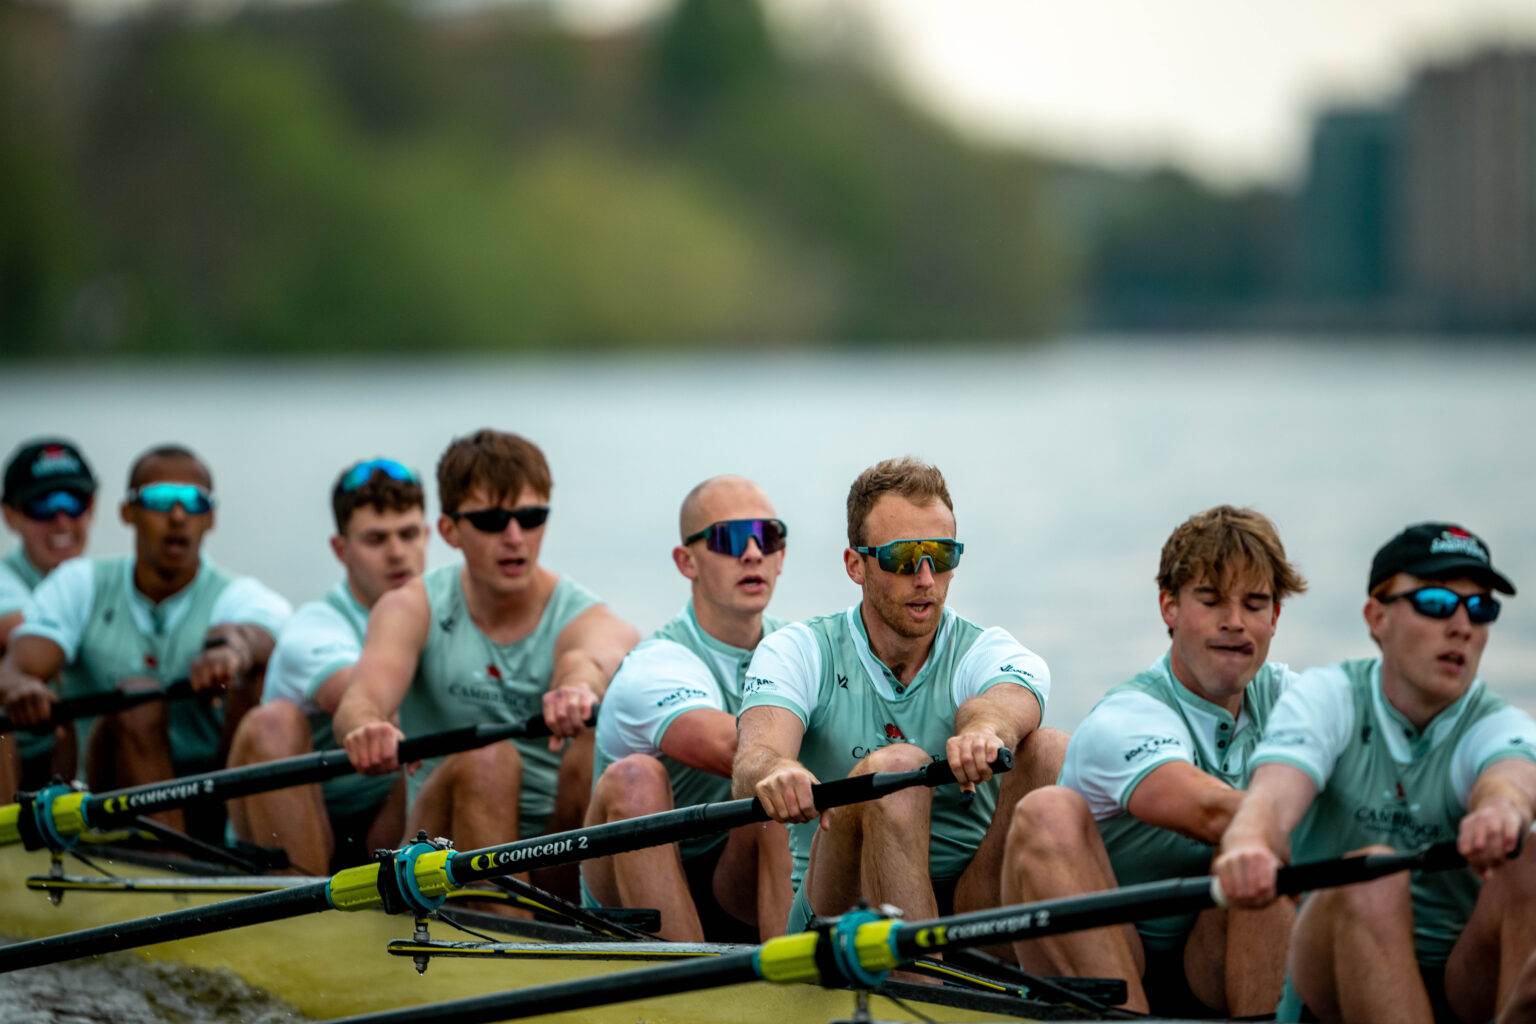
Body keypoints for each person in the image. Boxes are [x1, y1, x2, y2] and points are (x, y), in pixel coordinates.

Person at [1216, 522, 1536, 1024]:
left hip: (1464, 979)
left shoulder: (1498, 724)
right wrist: (1249, 845)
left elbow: (1510, 780)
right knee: (1374, 872)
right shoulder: (1328, 698)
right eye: (1435, 602)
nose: (1462, 626)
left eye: (1480, 608)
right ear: (1376, 617)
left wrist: (1501, 811)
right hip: (1330, 981)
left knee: (1529, 853)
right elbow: (1272, 800)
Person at [733, 456, 1065, 932]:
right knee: (896, 768)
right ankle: (921, 982)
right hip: (840, 908)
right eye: (904, 558)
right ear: (856, 565)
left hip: (974, 903)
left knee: (1051, 751)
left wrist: (985, 729)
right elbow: (753, 758)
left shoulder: (985, 649)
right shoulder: (799, 651)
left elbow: (1001, 701)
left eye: (942, 556)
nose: (926, 578)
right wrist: (776, 769)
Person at [1003, 505, 1305, 1016]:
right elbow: (1212, 812)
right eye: (1210, 601)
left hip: (1210, 959)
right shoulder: (1127, 716)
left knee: (1258, 849)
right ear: (1169, 606)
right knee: (1047, 813)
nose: (1234, 623)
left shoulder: (1296, 701)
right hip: (1108, 962)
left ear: (1275, 616)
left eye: (1254, 603)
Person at [333, 429, 638, 896]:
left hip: (556, 847)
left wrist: (576, 687)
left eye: (531, 517)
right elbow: (363, 700)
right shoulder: (410, 608)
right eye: (493, 520)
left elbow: (590, 657)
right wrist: (367, 726)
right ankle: (512, 928)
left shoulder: (585, 614)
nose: (515, 538)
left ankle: (561, 921)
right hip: (436, 846)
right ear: (450, 531)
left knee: (596, 739)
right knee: (490, 761)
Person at [0, 444, 291, 839]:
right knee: (138, 699)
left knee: (261, 682)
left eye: (193, 502)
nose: (177, 516)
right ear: (127, 513)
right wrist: (21, 687)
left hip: (211, 796)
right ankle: (170, 864)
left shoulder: (241, 596)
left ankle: (220, 851)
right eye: (159, 500)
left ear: (210, 518)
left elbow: (261, 635)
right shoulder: (78, 583)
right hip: (103, 794)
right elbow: (17, 667)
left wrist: (233, 651)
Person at [582, 475, 793, 941]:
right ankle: (684, 977)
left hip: (734, 883)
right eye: (730, 538)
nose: (753, 552)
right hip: (632, 888)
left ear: (781, 555)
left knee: (777, 785)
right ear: (686, 561)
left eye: (769, 536)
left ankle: (798, 984)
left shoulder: (801, 648)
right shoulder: (655, 664)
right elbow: (732, 746)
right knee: (640, 777)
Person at [226, 459, 427, 874]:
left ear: (428, 535)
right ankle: (300, 899)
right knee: (273, 722)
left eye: (408, 534)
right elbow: (372, 701)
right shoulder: (314, 629)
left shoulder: (447, 615)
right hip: (297, 825)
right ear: (341, 550)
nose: (397, 553)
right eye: (376, 539)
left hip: (385, 827)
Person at [0, 439, 98, 795]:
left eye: (74, 503)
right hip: (21, 757)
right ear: (11, 516)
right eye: (42, 505)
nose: (61, 520)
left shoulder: (98, 580)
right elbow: (19, 635)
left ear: (94, 507)